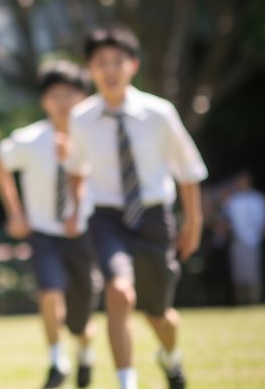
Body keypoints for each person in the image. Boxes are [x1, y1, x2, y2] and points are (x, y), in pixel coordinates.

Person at [65, 27, 206, 389]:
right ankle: (127, 382)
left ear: (133, 65)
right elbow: (76, 169)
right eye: (100, 63)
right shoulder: (80, 118)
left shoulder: (159, 113)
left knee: (161, 316)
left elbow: (188, 171)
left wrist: (193, 222)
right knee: (119, 291)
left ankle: (170, 358)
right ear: (90, 70)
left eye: (117, 62)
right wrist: (73, 208)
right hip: (107, 218)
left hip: (154, 218)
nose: (109, 70)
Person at [0, 61, 100, 388]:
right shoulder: (30, 138)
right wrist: (16, 212)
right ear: (44, 100)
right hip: (44, 233)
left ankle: (84, 347)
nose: (63, 102)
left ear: (84, 97)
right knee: (49, 292)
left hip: (86, 232)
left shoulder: (98, 137)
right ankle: (57, 359)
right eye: (55, 95)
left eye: (71, 94)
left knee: (81, 316)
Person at [222, 171, 265, 304]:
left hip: (254, 243)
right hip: (238, 242)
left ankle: (255, 301)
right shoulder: (232, 200)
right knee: (239, 276)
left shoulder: (257, 198)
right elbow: (225, 221)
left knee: (253, 275)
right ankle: (242, 303)